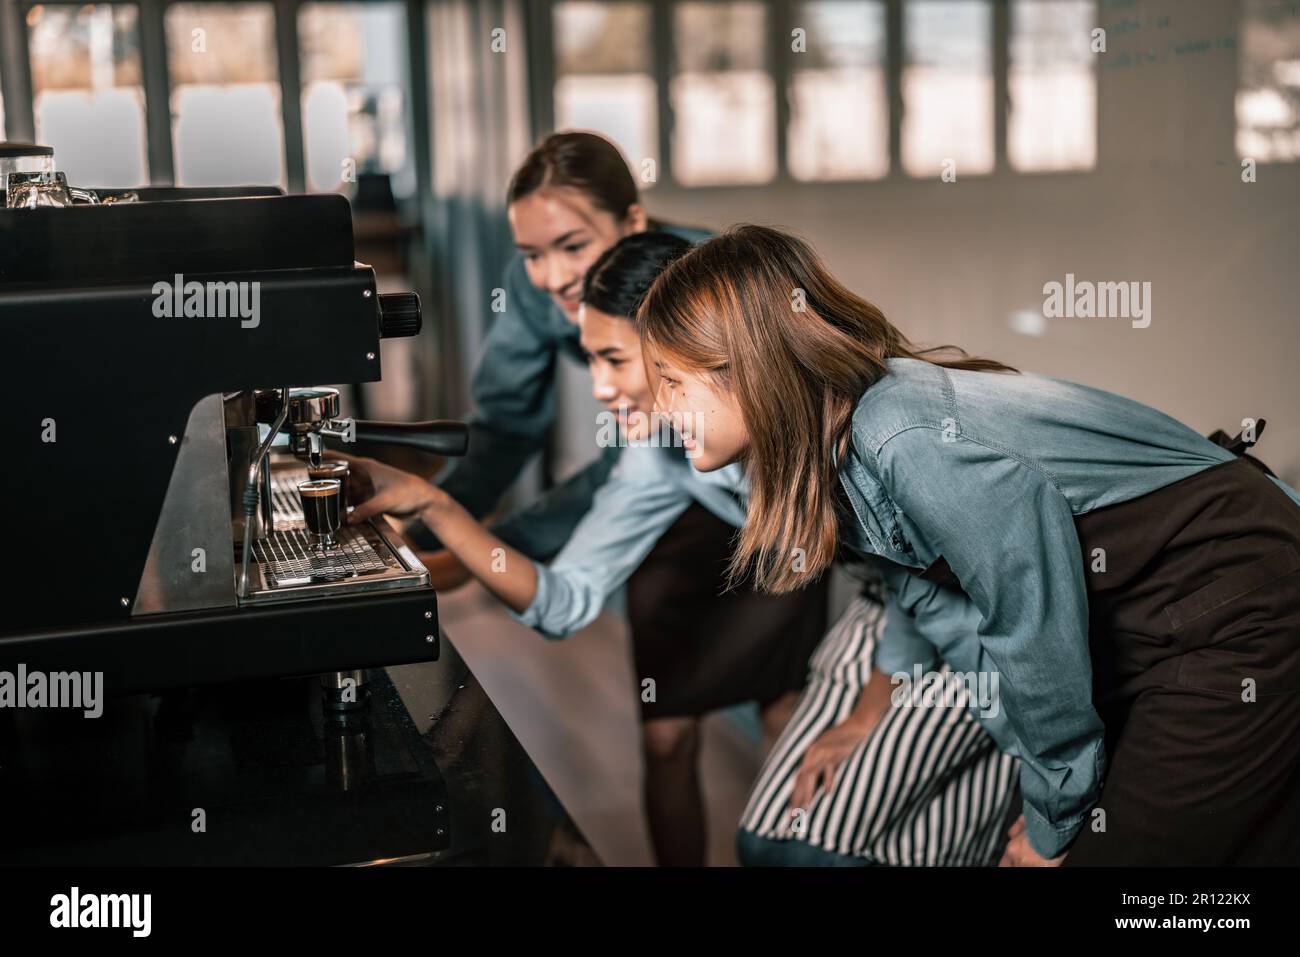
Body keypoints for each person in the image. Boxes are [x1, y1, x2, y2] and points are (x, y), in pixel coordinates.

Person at [635, 223, 1300, 866]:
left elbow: (1031, 627)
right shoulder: (845, 446)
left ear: (747, 367)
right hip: (1165, 631)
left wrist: (1052, 822)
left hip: (1239, 608)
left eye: (672, 381)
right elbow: (942, 612)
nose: (661, 409)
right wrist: (1051, 802)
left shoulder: (905, 435)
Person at [353, 232, 827, 865]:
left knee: (798, 775)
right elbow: (564, 602)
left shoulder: (834, 428)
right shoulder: (656, 458)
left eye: (616, 360)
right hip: (830, 569)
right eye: (591, 361)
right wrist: (432, 503)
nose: (600, 388)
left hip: (911, 600)